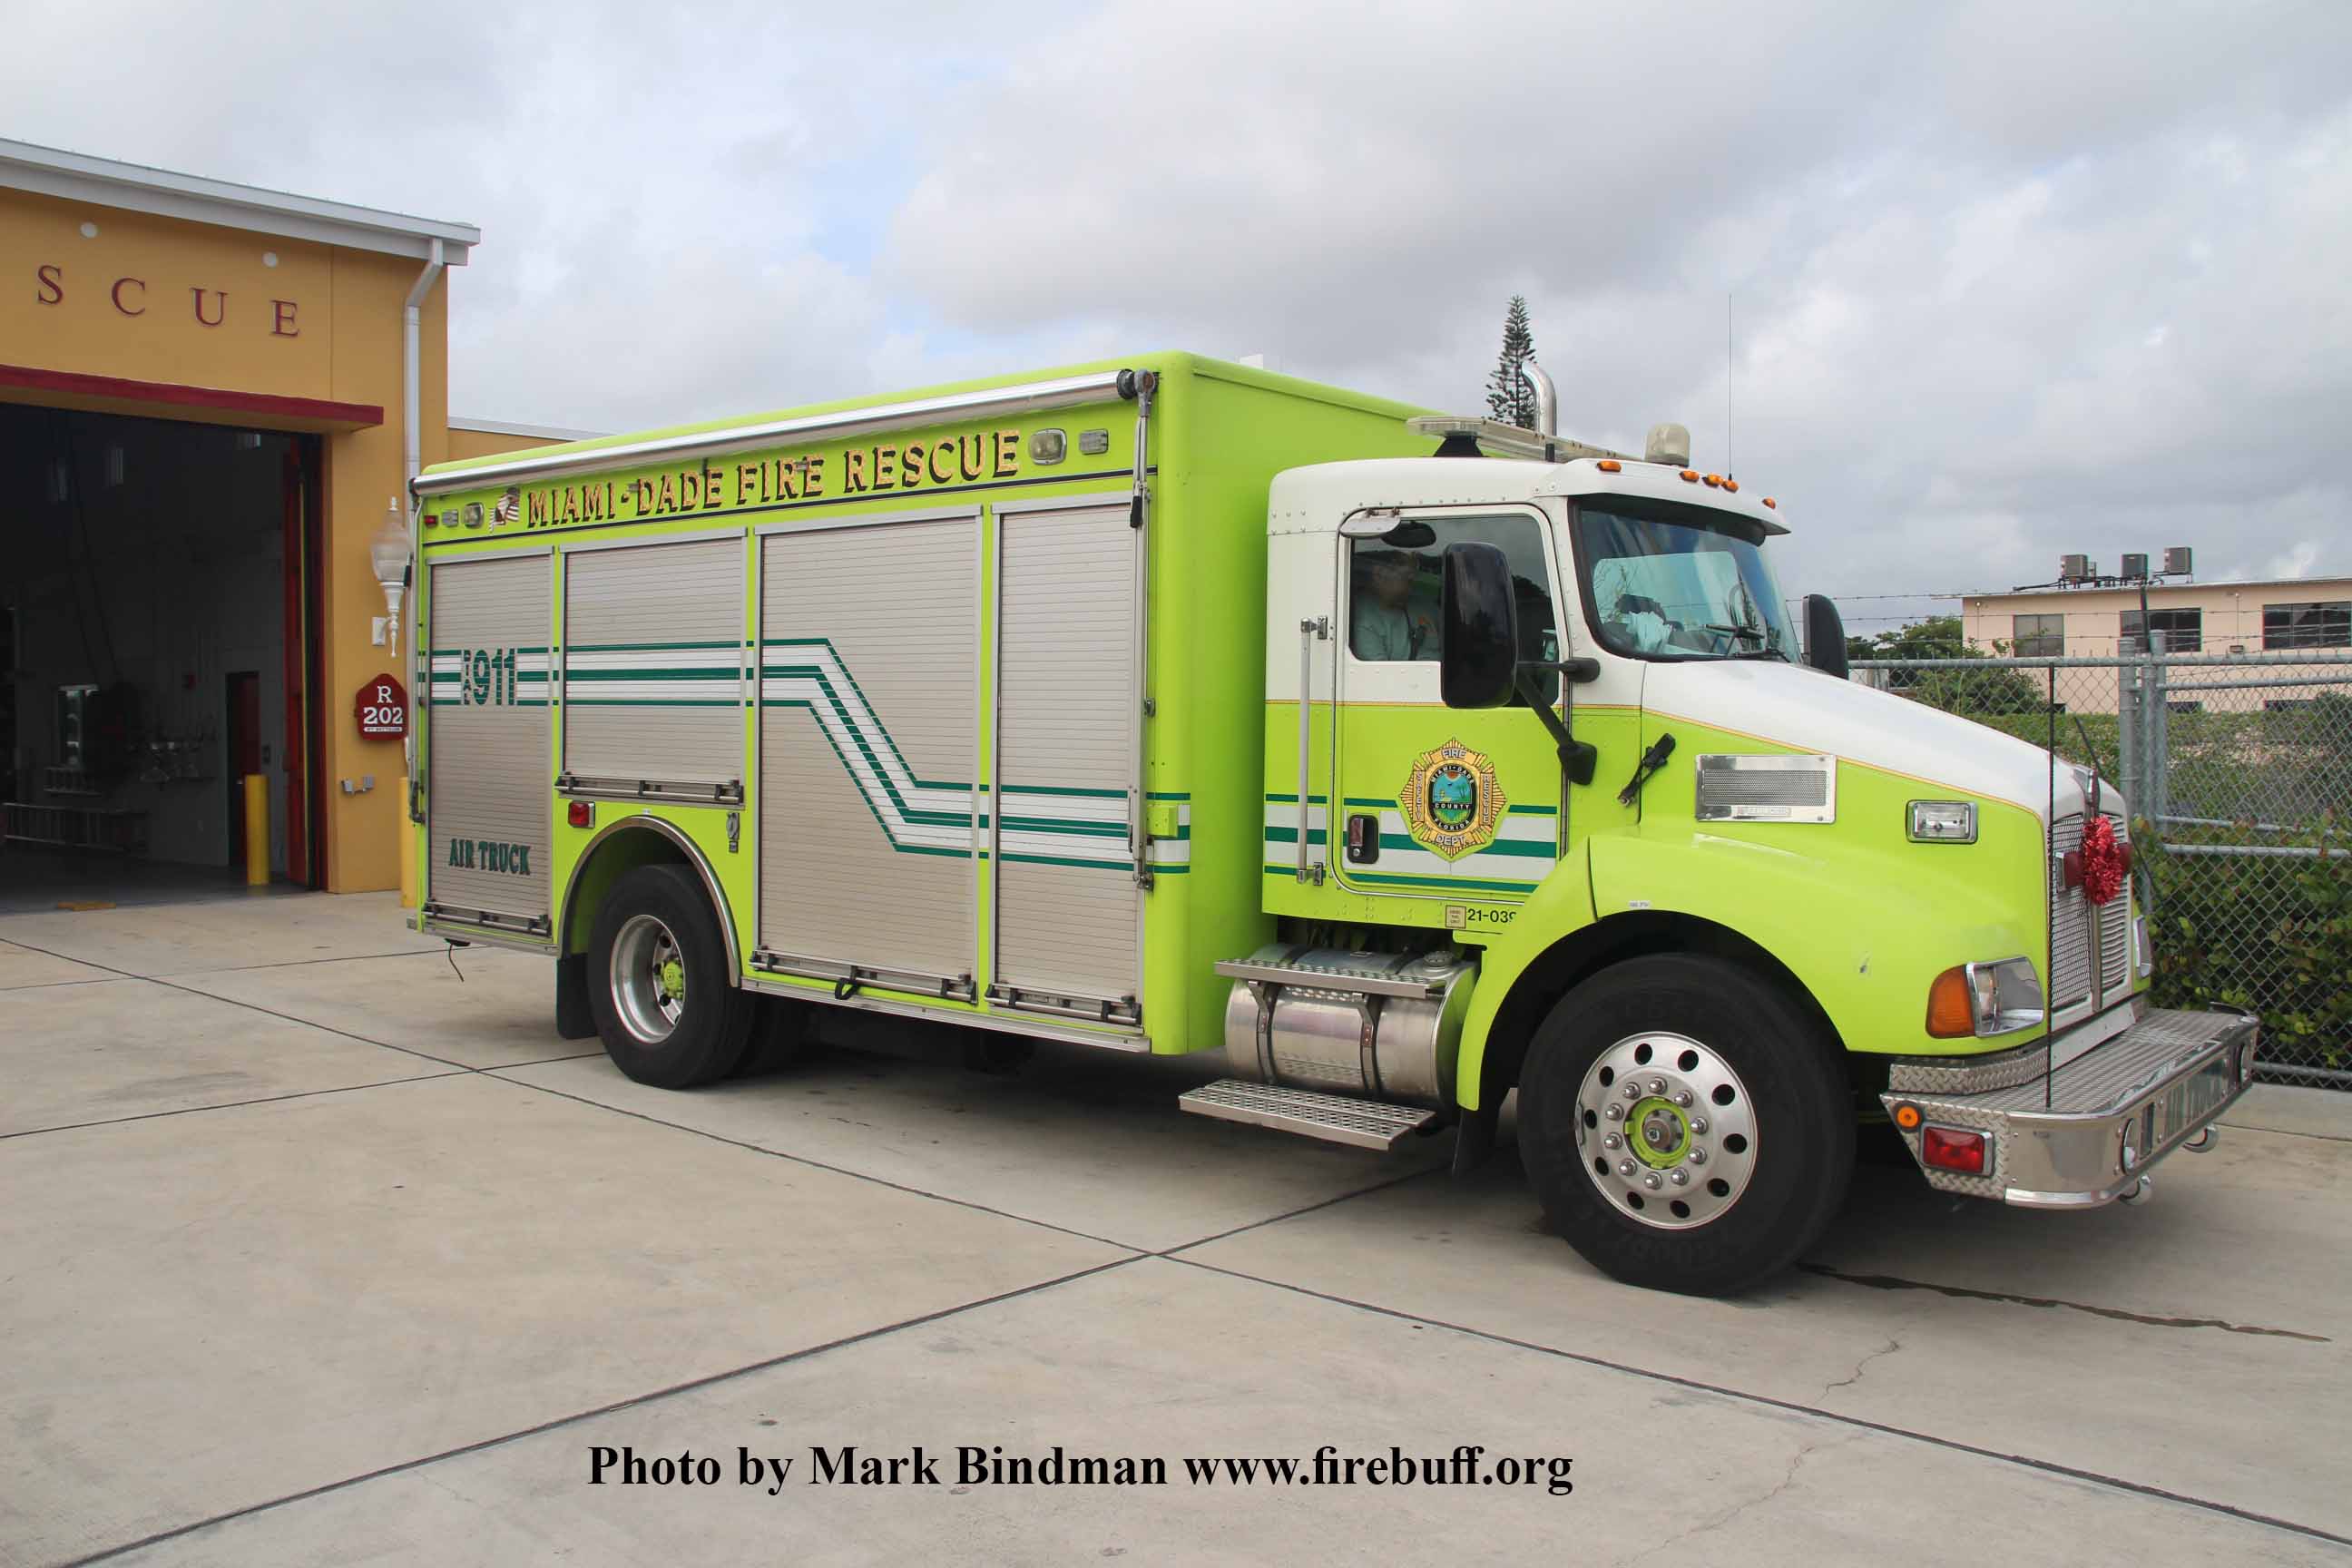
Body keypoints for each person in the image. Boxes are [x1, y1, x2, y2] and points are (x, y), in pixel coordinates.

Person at [1352, 550, 1440, 662]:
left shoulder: (1426, 606)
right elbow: (1379, 674)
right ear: (1379, 574)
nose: (1413, 584)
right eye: (1408, 578)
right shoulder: (1362, 617)